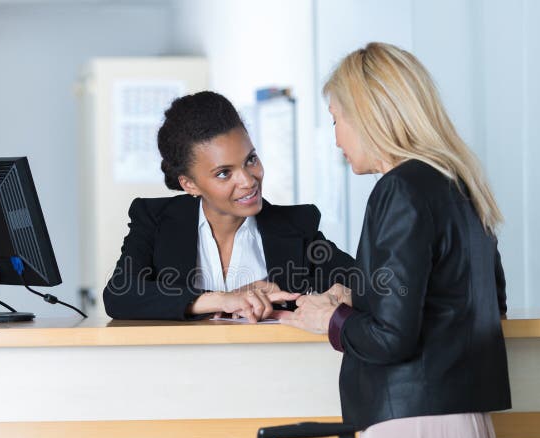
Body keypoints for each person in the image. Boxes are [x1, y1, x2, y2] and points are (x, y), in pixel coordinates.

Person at [281, 43, 511, 438]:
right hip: (464, 428)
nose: (336, 138)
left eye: (337, 119)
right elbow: (477, 303)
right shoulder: (459, 184)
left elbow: (392, 338)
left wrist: (330, 318)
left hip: (413, 432)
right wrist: (356, 299)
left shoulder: (400, 188)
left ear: (370, 115)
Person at [103, 91, 354, 322]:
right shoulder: (155, 220)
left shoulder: (296, 225)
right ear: (190, 184)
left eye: (251, 160)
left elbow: (370, 283)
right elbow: (119, 294)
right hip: (180, 367)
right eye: (224, 173)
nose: (248, 181)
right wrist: (222, 299)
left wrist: (320, 295)